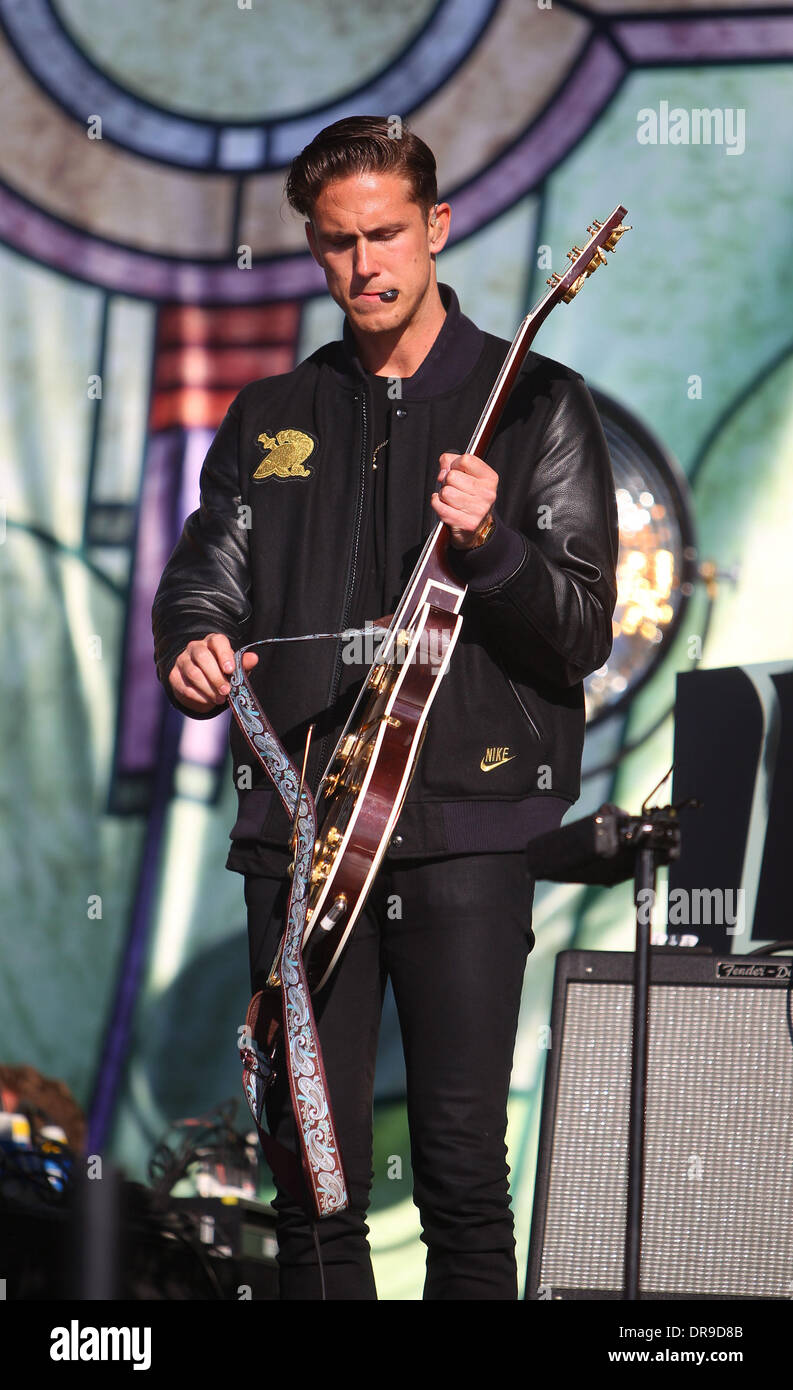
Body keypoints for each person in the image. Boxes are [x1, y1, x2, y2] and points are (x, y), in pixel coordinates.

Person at [152, 115, 619, 1300]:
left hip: (468, 826)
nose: (366, 265)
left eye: (387, 235)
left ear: (438, 228)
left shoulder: (535, 405)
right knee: (311, 1181)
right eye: (338, 244)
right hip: (302, 835)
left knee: (463, 1172)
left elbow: (579, 627)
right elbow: (209, 573)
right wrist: (193, 643)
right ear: (313, 252)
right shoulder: (270, 415)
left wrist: (494, 547)